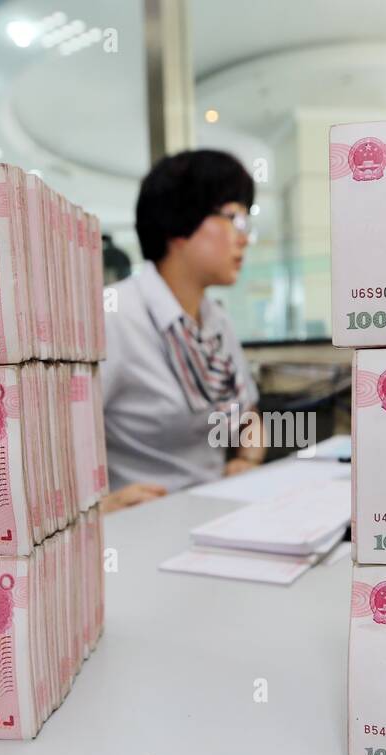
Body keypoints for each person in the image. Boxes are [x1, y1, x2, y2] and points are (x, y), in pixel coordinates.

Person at [99, 150, 263, 512]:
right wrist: (97, 508)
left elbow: (248, 417)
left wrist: (246, 461)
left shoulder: (216, 320)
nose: (244, 238)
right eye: (233, 218)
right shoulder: (113, 315)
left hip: (215, 508)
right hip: (144, 523)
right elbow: (51, 440)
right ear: (180, 225)